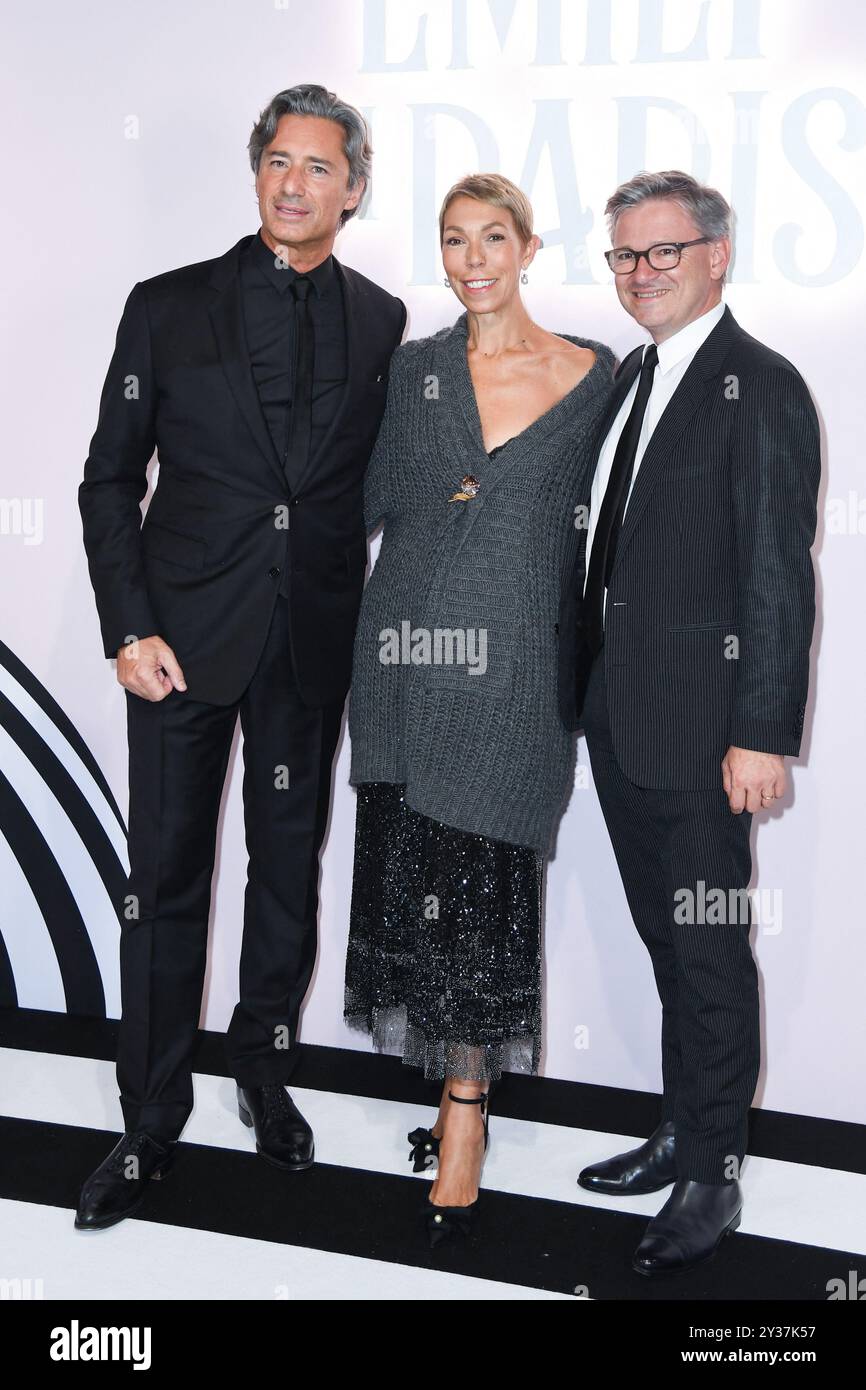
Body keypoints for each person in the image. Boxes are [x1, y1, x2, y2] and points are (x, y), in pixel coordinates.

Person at [75, 84, 406, 1230]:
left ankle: (264, 1076)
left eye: (318, 166)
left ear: (352, 189)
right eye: (276, 159)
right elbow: (107, 480)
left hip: (305, 646)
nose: (292, 181)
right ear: (255, 169)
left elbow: (364, 485)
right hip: (176, 645)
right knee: (162, 886)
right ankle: (147, 1116)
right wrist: (128, 627)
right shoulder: (165, 307)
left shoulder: (380, 319)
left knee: (285, 877)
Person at [344, 173, 616, 1248]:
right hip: (403, 671)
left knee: (483, 903)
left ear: (528, 247)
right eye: (452, 240)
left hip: (512, 690)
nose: (470, 260)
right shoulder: (412, 374)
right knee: (417, 894)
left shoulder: (596, 381)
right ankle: (446, 1098)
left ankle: (466, 1113)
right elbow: (349, 507)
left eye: (490, 238)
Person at [557, 170, 821, 1276]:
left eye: (661, 252)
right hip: (620, 720)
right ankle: (677, 1122)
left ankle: (711, 1170)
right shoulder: (630, 376)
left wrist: (760, 732)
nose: (639, 273)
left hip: (708, 735)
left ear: (716, 253)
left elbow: (776, 574)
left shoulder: (757, 385)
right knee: (668, 943)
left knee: (708, 952)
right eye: (623, 255)